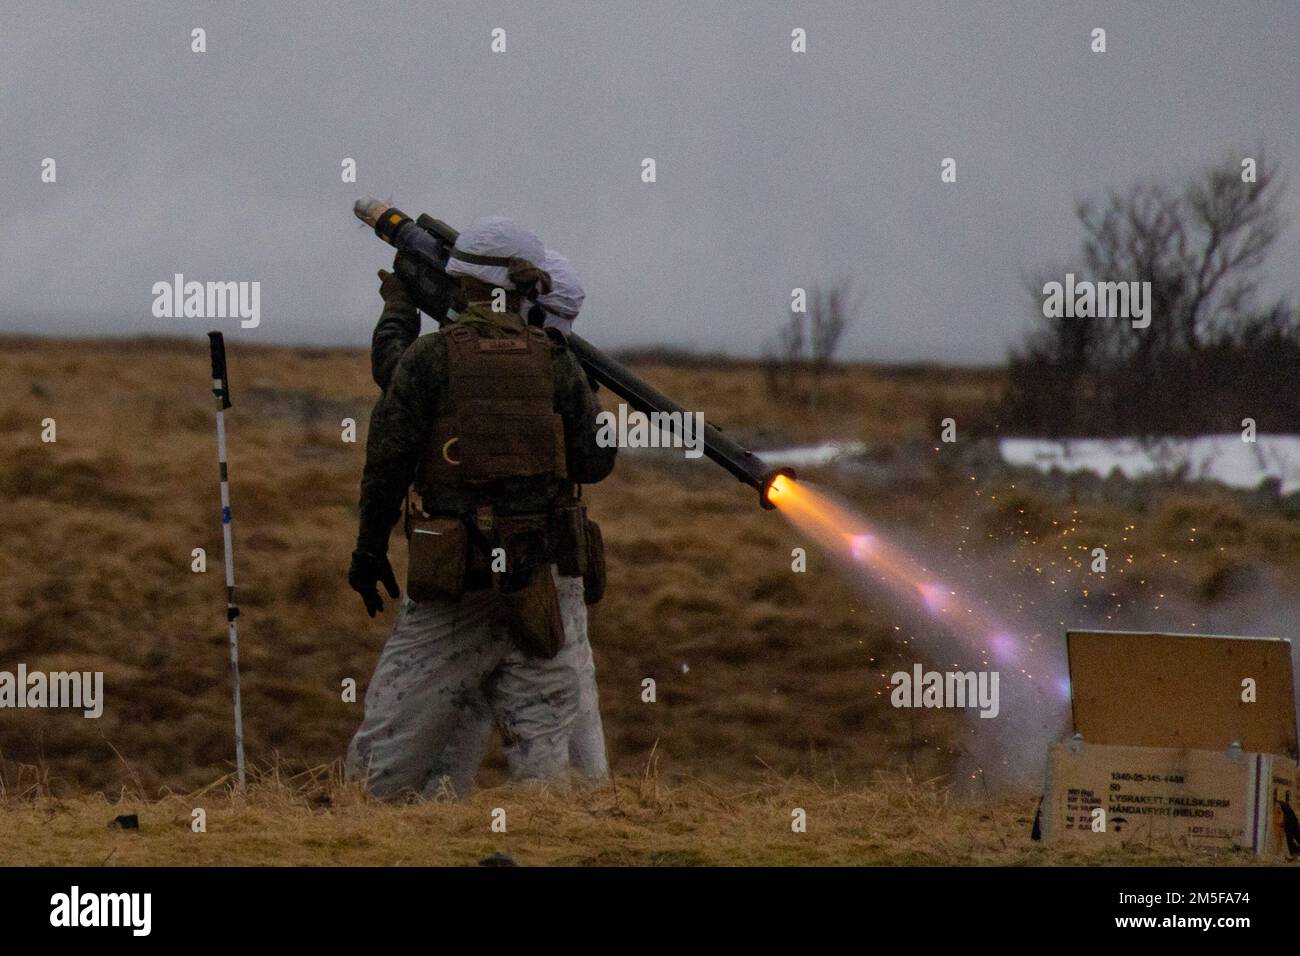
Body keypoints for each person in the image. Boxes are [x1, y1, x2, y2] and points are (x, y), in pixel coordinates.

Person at [345, 217, 616, 798]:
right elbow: (595, 460)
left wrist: (368, 551)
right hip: (541, 586)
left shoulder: (428, 358)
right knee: (553, 777)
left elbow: (387, 462)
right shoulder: (556, 361)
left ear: (461, 281)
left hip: (453, 586)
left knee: (381, 768)